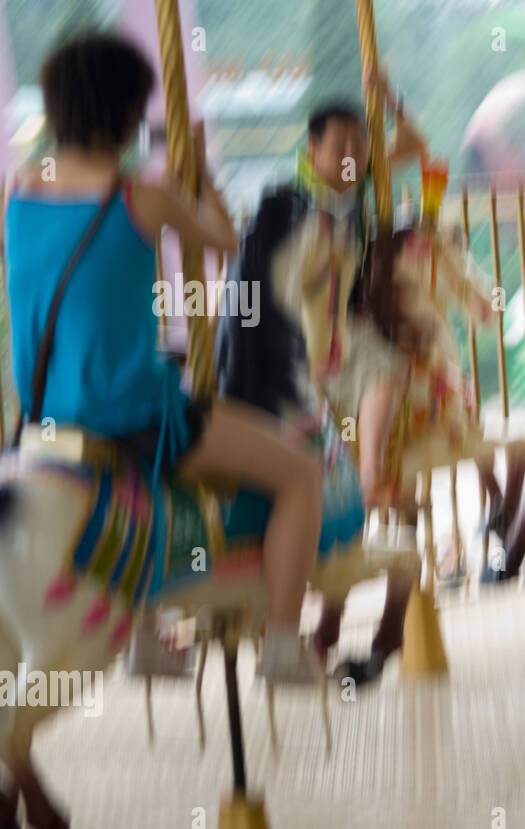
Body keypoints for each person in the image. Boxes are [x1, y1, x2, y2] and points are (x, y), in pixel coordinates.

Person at [2, 34, 322, 679]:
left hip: (44, 420)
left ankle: (146, 639)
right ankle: (285, 645)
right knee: (302, 476)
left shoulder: (20, 186)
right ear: (124, 114)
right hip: (128, 413)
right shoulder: (141, 198)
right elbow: (228, 241)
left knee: (146, 483)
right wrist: (197, 175)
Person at [216, 73, 428, 686]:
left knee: (392, 367)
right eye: (340, 145)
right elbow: (253, 297)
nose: (354, 156)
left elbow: (414, 140)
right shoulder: (286, 205)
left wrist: (386, 96)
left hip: (317, 365)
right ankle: (363, 488)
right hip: (294, 375)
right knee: (324, 471)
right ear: (310, 150)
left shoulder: (349, 190)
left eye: (361, 145)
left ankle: (320, 625)